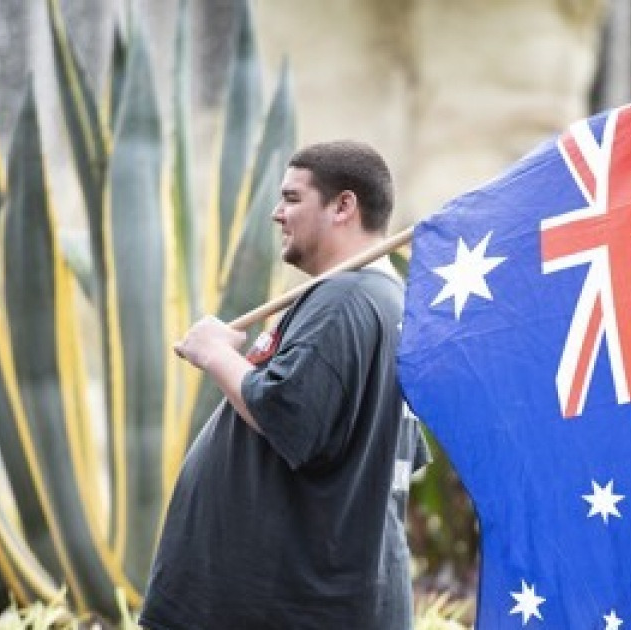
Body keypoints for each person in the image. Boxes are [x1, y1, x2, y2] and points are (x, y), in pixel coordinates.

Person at [140, 140, 428, 629]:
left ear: (344, 206)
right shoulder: (388, 302)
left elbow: (286, 412)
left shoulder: (345, 299)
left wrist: (215, 352)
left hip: (287, 606)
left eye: (293, 198)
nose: (277, 213)